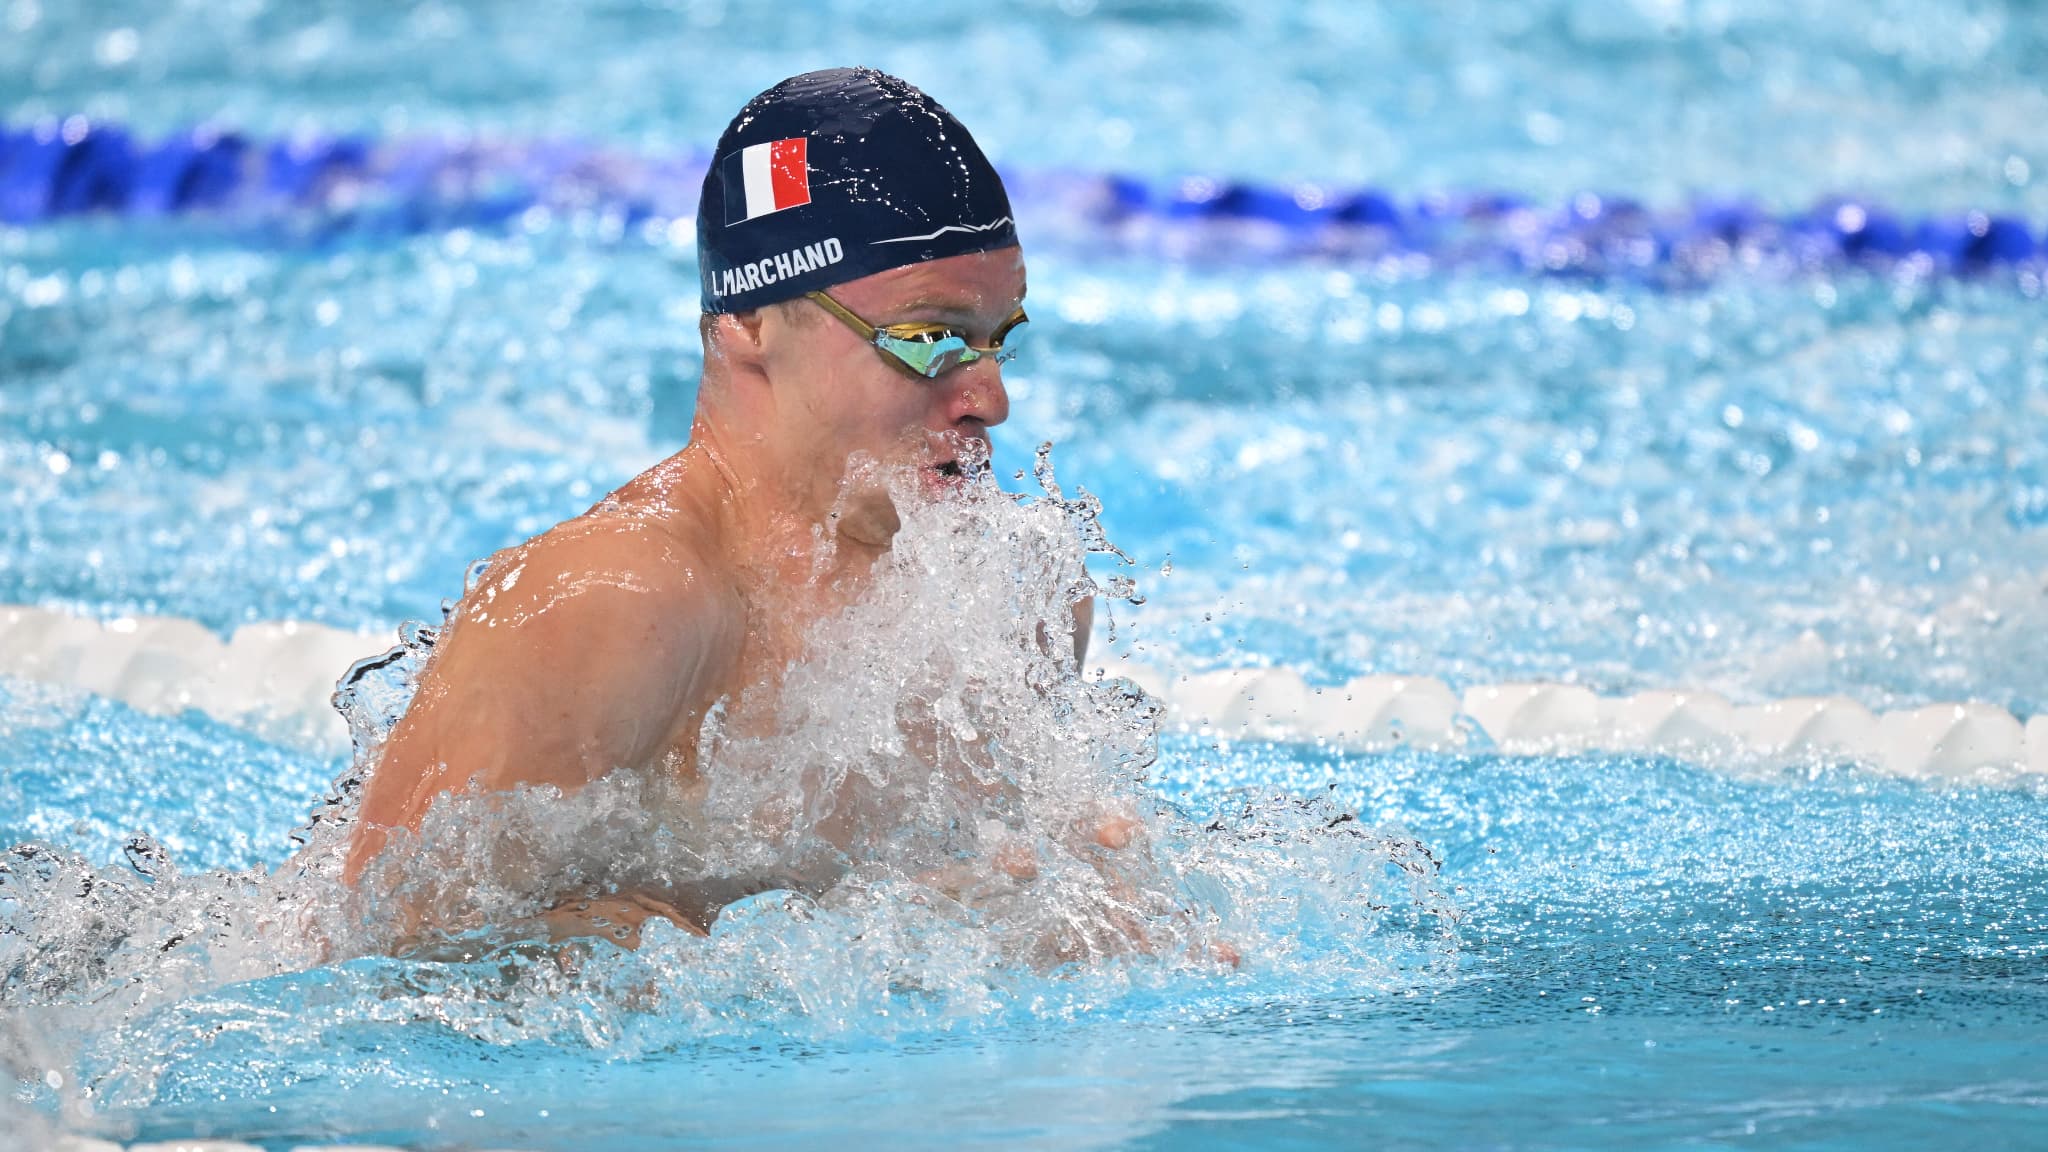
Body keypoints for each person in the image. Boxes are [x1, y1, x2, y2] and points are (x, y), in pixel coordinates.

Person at [339, 68, 1094, 948]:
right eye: (929, 341)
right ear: (752, 323)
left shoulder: (1007, 595)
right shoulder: (618, 602)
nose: (990, 398)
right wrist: (616, 947)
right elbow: (372, 963)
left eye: (999, 339)